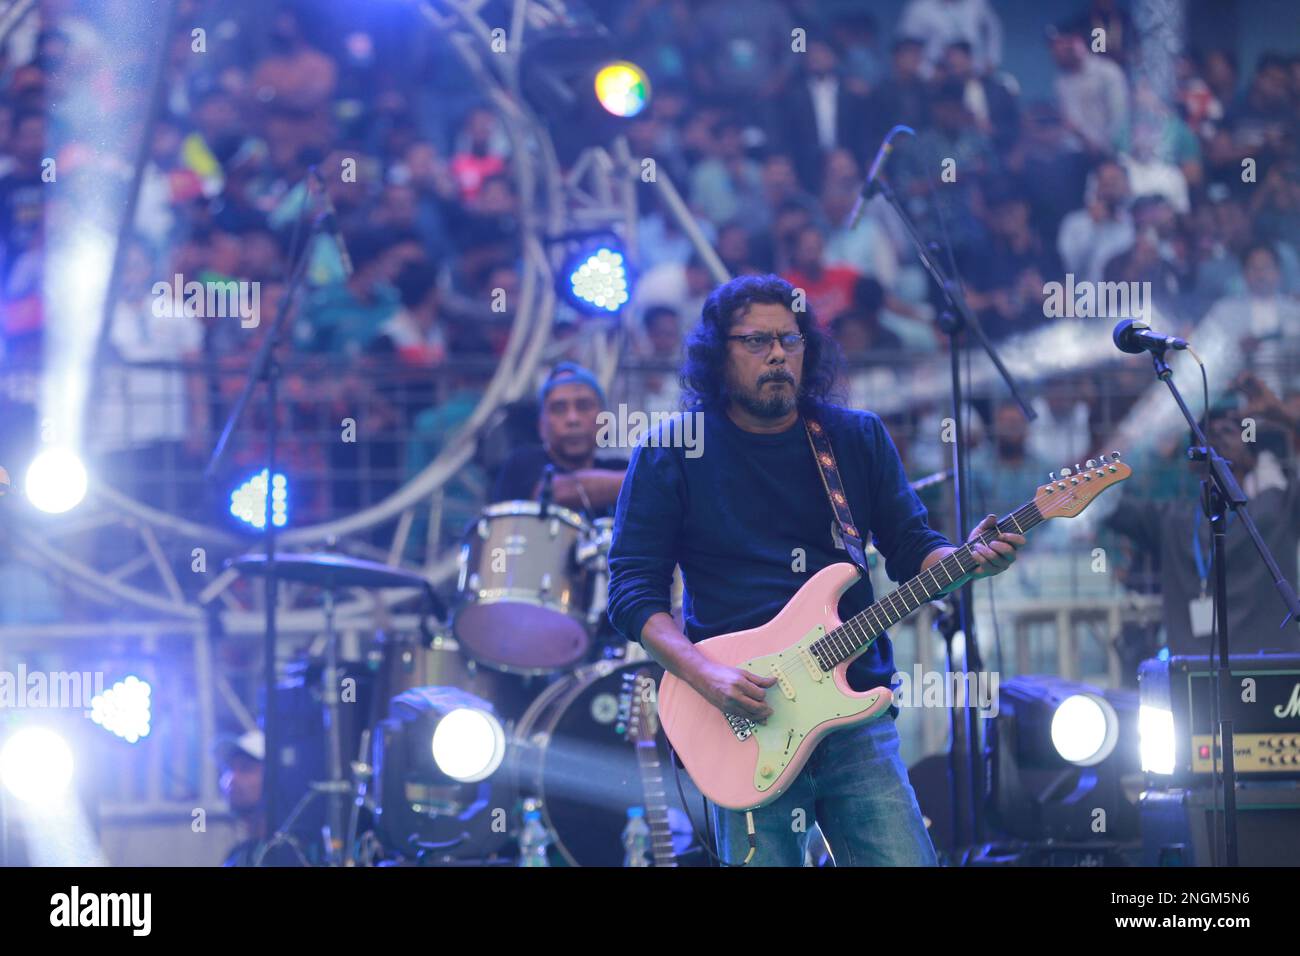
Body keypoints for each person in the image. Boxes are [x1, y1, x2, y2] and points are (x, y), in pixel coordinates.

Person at [606, 275, 1024, 866]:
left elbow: (911, 549)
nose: (778, 354)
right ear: (717, 353)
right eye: (756, 342)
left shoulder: (853, 438)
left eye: (790, 339)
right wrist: (704, 674)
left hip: (852, 716)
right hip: (743, 719)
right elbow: (630, 592)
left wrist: (966, 561)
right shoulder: (672, 452)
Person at [491, 362, 627, 518]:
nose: (572, 419)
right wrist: (640, 480)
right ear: (541, 425)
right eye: (559, 409)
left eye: (583, 406)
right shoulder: (521, 463)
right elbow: (556, 493)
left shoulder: (619, 467)